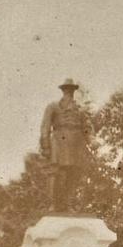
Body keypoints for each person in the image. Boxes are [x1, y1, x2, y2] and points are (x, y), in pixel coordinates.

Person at [39, 79, 91, 211]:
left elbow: (86, 128)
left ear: (74, 91)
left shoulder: (80, 110)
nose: (69, 92)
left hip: (76, 143)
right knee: (56, 173)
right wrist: (45, 146)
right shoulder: (53, 106)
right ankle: (52, 204)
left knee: (73, 174)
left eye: (71, 90)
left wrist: (91, 140)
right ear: (63, 91)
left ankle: (69, 205)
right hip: (59, 140)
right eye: (67, 89)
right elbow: (45, 126)